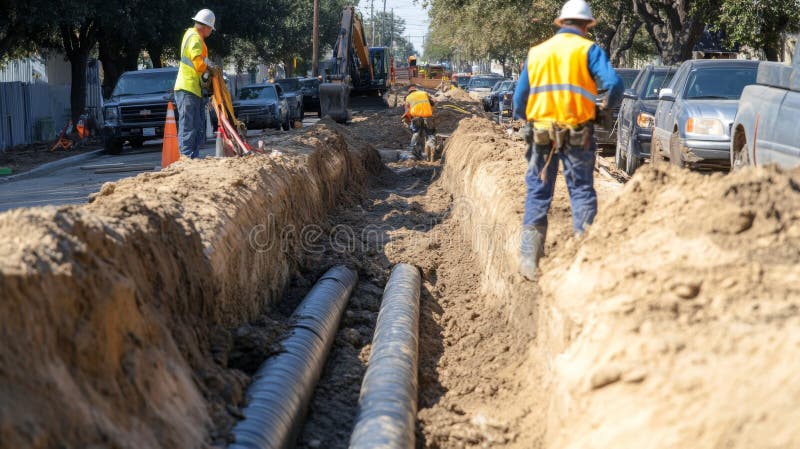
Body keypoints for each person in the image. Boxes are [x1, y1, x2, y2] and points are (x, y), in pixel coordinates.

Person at [512, 0, 623, 280]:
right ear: (586, 26)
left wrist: (526, 119)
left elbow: (519, 97)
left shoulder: (537, 52)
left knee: (538, 191)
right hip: (577, 132)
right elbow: (614, 84)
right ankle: (583, 258)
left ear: (561, 23)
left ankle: (528, 259)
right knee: (581, 191)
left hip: (540, 133)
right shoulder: (588, 49)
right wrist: (604, 110)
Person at [174, 9, 216, 159]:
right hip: (187, 88)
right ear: (206, 27)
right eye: (211, 28)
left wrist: (210, 67)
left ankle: (192, 158)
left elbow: (200, 62)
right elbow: (198, 63)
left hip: (192, 89)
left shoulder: (192, 36)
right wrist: (212, 69)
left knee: (195, 127)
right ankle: (186, 158)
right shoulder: (195, 38)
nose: (211, 31)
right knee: (188, 127)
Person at [402, 85, 436, 159]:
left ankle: (413, 150)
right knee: (430, 133)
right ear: (416, 90)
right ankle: (432, 147)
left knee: (416, 133)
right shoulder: (424, 93)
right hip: (428, 116)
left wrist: (405, 117)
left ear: (409, 92)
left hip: (416, 117)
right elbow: (432, 102)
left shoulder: (408, 97)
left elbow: (407, 111)